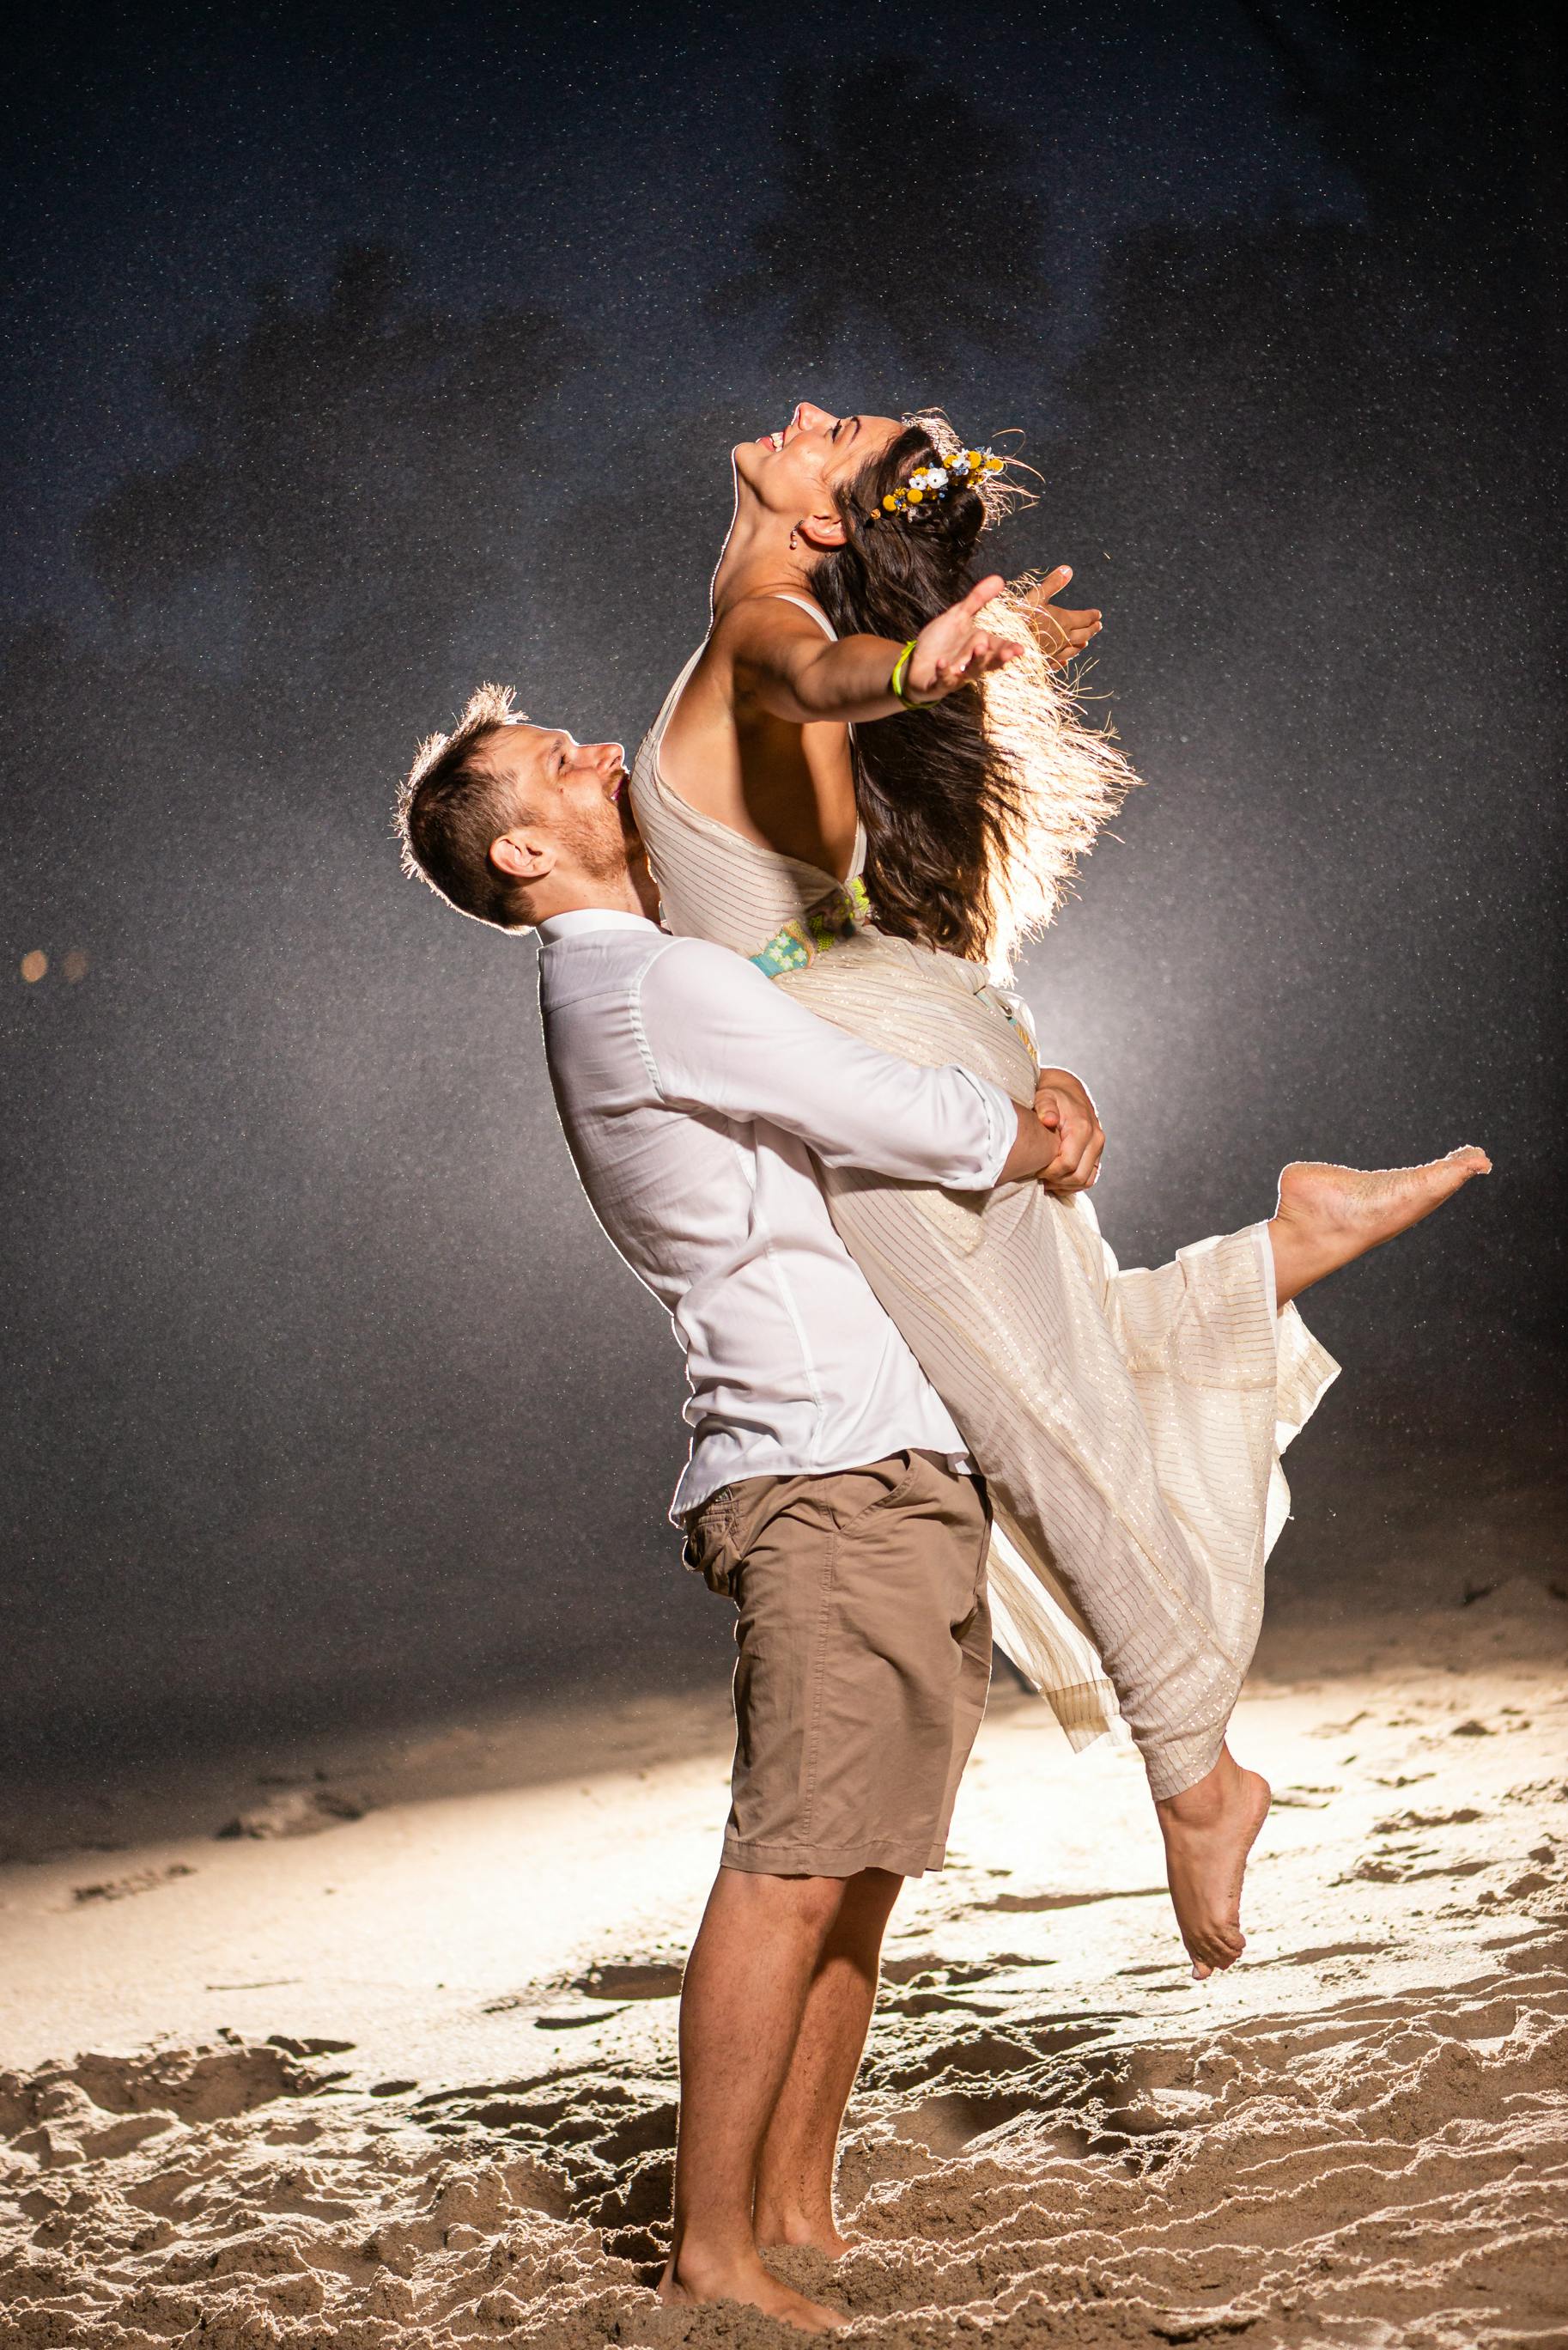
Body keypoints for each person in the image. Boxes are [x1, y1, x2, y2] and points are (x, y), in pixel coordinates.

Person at [626, 402, 1491, 1980]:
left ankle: (1194, 1774)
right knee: (1059, 1364)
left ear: (823, 524)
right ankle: (1274, 1255)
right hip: (902, 1019)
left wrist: (908, 665)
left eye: (841, 430)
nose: (805, 413)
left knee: (1036, 1418)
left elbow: (811, 679)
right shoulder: (754, 623)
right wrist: (925, 664)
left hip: (876, 1046)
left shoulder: (769, 623)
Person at [394, 699, 1103, 2332]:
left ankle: (795, 2203)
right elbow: (886, 1105)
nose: (599, 755)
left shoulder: (673, 967)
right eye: (561, 761)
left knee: (858, 1865)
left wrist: (1016, 1061)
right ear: (520, 852)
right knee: (792, 1865)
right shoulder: (643, 982)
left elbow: (848, 963)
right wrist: (1024, 1132)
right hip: (821, 1465)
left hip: (872, 1455)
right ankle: (711, 2249)